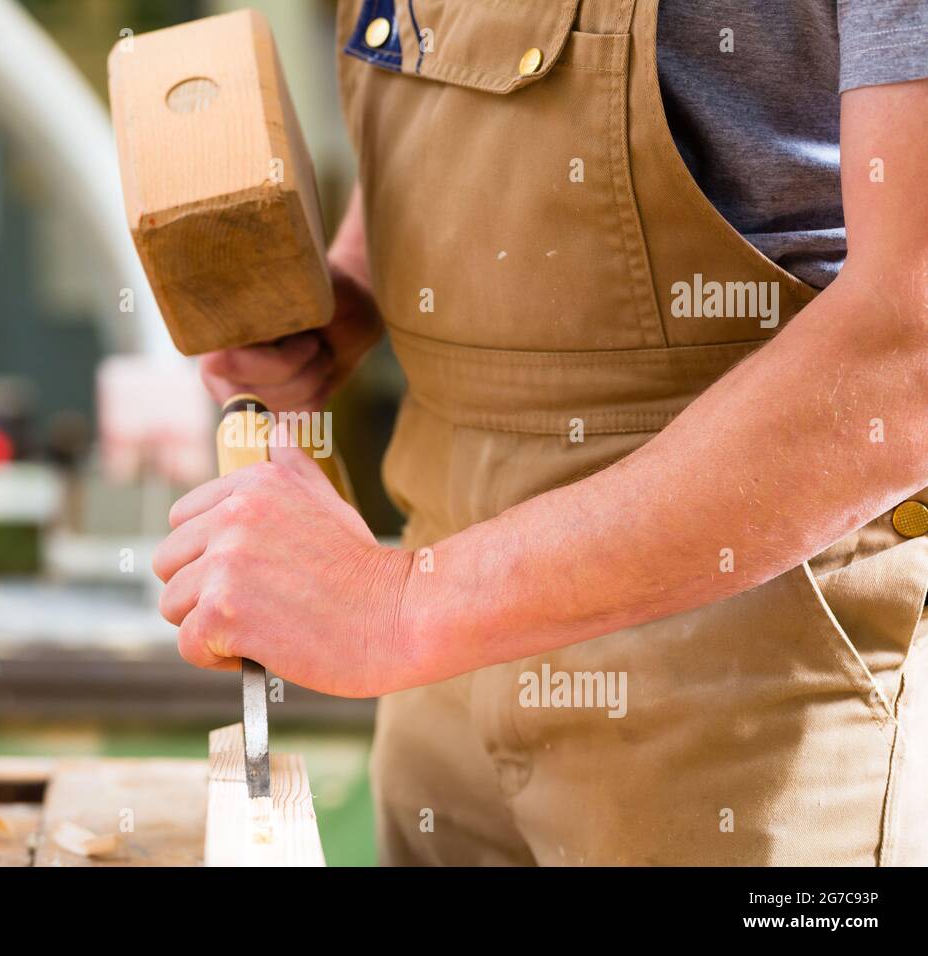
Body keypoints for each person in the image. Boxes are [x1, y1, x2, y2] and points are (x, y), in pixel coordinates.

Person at [152, 0, 928, 865]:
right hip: (439, 670)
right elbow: (454, 65)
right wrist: (351, 291)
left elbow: (909, 355)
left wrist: (396, 607)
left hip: (739, 694)